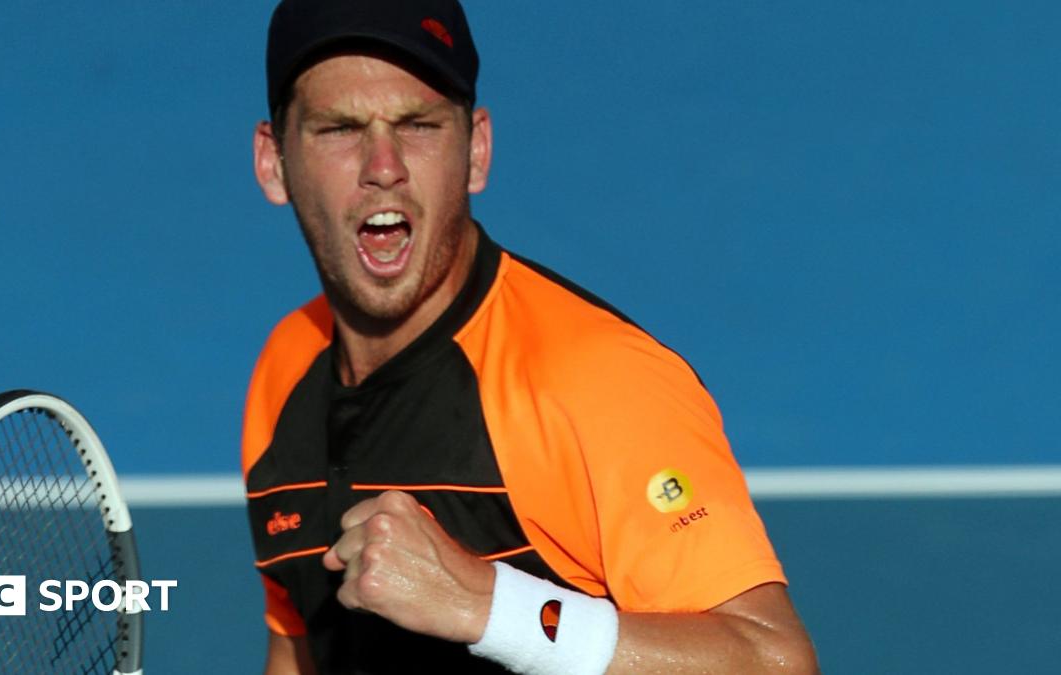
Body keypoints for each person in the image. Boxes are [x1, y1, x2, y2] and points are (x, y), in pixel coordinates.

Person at [242, 1, 818, 672]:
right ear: (273, 162)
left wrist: (490, 606)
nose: (384, 165)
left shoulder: (598, 380)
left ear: (476, 152)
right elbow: (298, 646)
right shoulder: (285, 372)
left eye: (418, 125)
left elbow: (774, 660)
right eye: (340, 129)